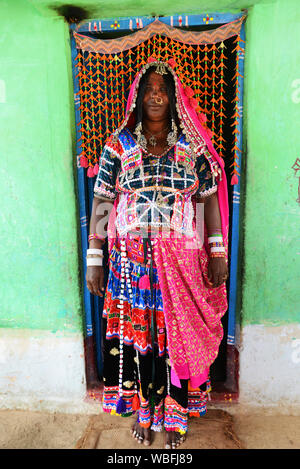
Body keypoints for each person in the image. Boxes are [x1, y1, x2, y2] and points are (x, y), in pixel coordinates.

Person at [86, 58, 228, 449]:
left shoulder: (192, 148)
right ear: (137, 96)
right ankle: (146, 414)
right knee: (141, 339)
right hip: (131, 264)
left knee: (175, 337)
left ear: (174, 97)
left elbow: (208, 199)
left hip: (181, 261)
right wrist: (94, 259)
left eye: (162, 89)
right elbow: (101, 200)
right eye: (148, 88)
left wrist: (217, 252)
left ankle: (175, 415)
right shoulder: (118, 146)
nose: (155, 95)